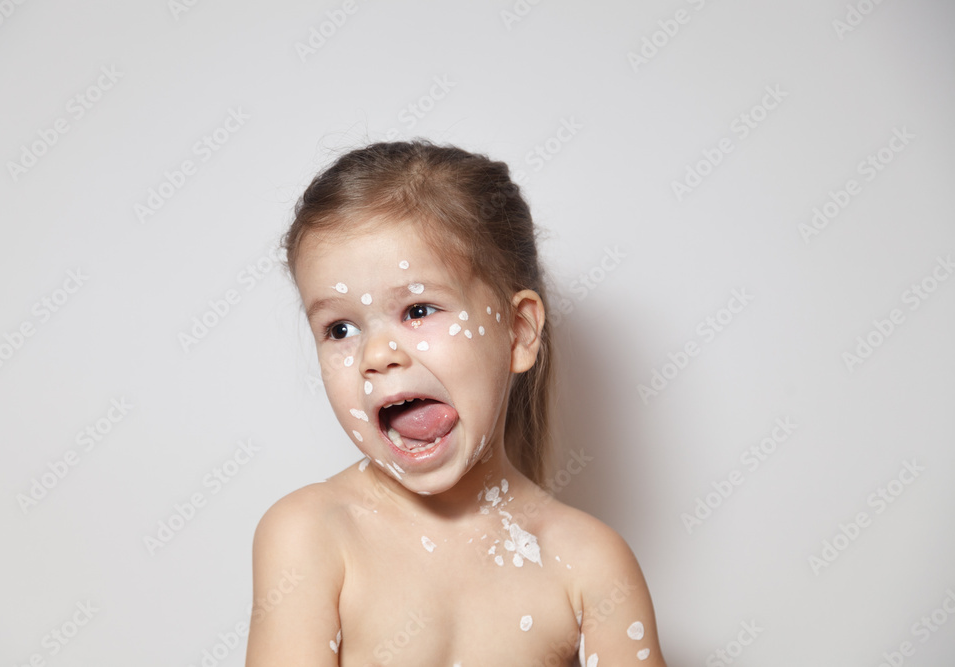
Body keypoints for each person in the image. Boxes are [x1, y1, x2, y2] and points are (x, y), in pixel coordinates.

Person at [245, 139, 667, 666]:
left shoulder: (588, 566)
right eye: (341, 328)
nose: (377, 355)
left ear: (517, 333)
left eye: (419, 310)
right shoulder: (313, 536)